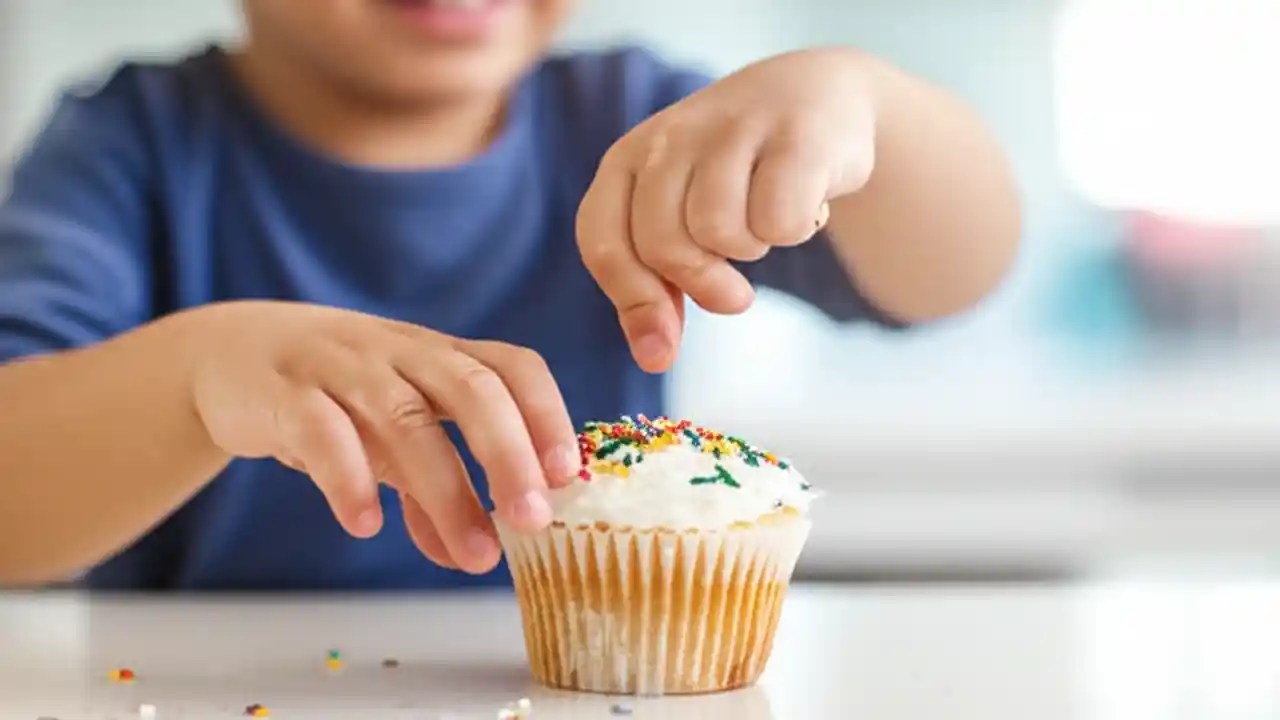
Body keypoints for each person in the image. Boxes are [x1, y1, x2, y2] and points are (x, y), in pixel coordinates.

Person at [0, 0, 1020, 590]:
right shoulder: (127, 144)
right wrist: (197, 375)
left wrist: (865, 102)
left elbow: (950, 277)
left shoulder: (628, 120)